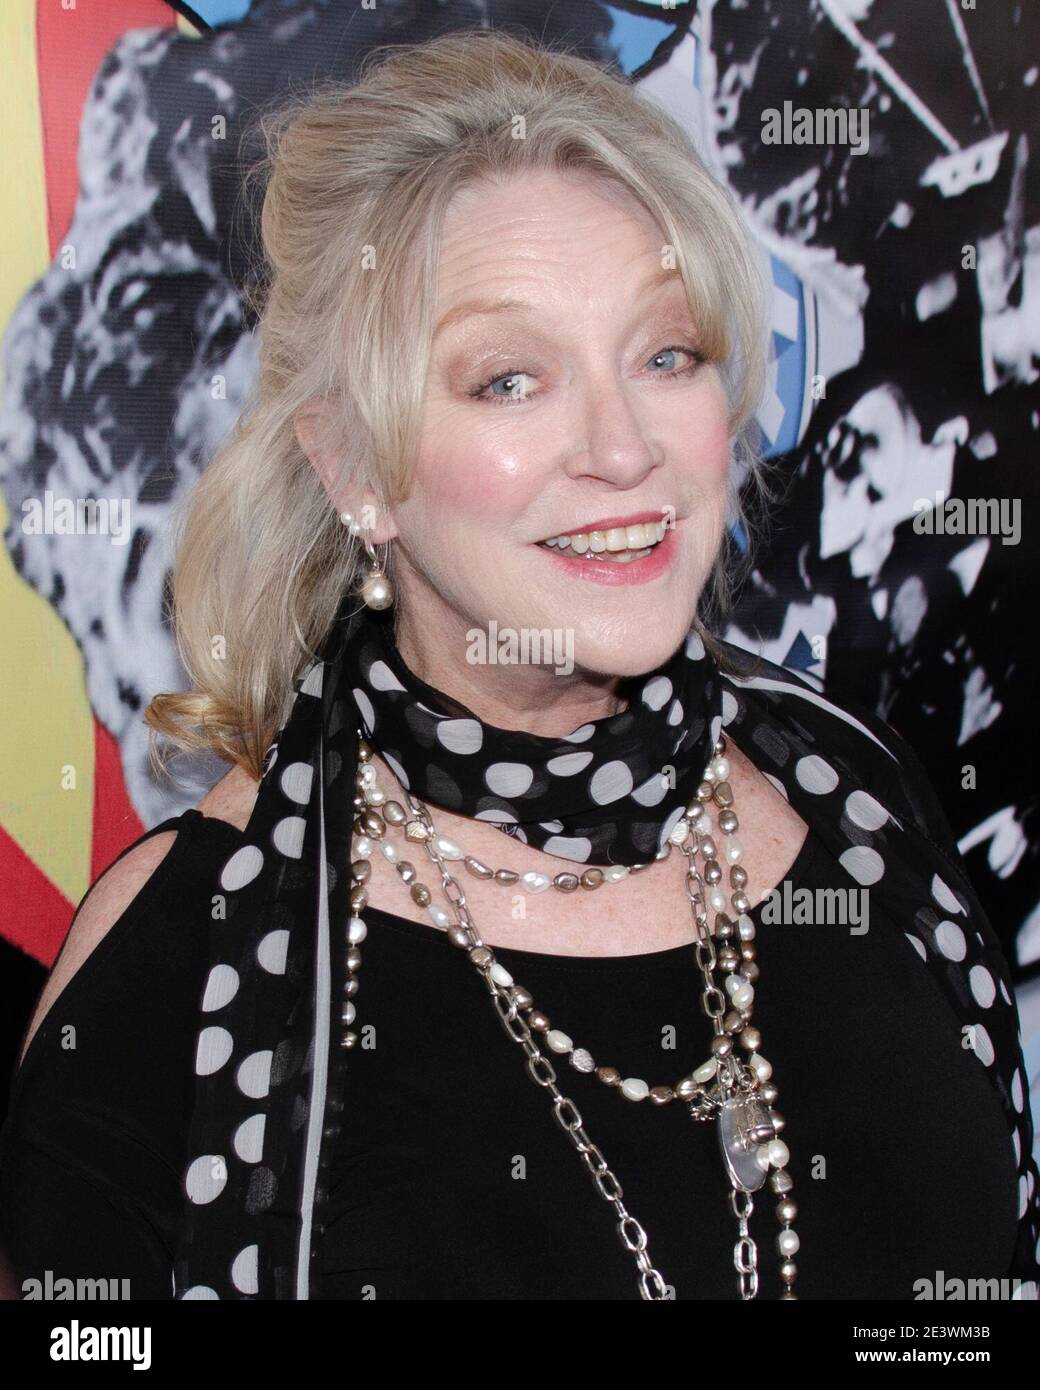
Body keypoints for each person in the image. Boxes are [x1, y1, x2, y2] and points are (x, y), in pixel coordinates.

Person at [1, 29, 1037, 1302]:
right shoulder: (186, 955)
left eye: (665, 355)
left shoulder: (855, 803)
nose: (621, 447)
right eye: (507, 379)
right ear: (352, 467)